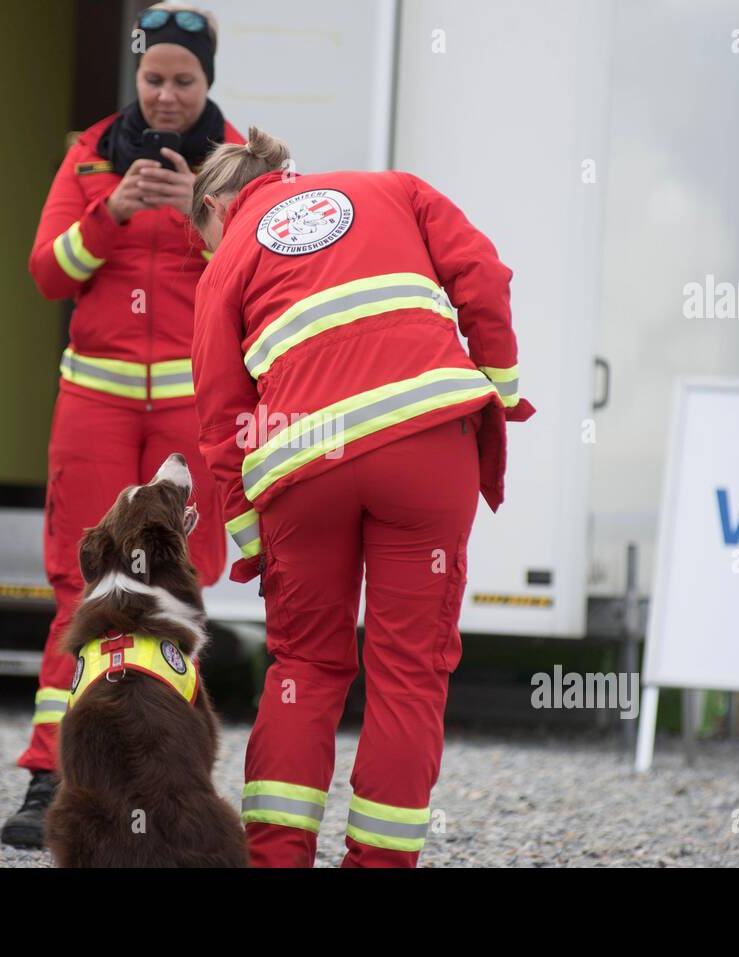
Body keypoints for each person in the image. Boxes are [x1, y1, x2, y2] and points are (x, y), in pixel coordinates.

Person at [189, 129, 536, 867]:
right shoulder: (394, 189)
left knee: (305, 668)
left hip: (304, 464)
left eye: (202, 238)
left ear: (219, 205)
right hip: (426, 441)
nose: (206, 255)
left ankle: (277, 857)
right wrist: (499, 392)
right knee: (408, 668)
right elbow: (483, 276)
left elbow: (222, 419)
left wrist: (254, 537)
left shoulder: (223, 270)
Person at [3, 3, 242, 848]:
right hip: (96, 399)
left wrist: (196, 214)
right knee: (83, 589)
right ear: (133, 78)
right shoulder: (89, 155)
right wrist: (109, 215)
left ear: (208, 81)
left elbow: (258, 279)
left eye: (184, 80)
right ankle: (51, 775)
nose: (167, 96)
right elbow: (45, 272)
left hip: (191, 403)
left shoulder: (236, 161)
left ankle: (170, 775)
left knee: (177, 592)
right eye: (153, 79)